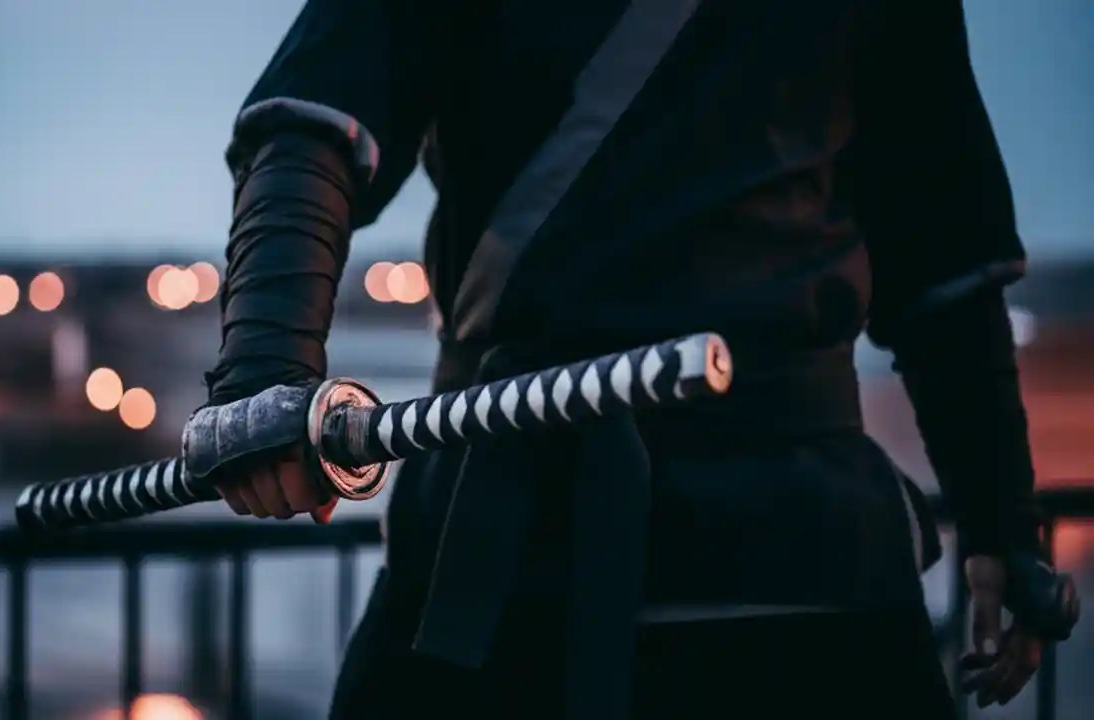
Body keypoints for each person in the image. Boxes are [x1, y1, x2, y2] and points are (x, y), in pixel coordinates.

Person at [204, 1, 1079, 717]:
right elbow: (313, 131)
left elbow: (942, 265)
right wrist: (266, 382)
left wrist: (1003, 520)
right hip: (527, 556)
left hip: (763, 568)